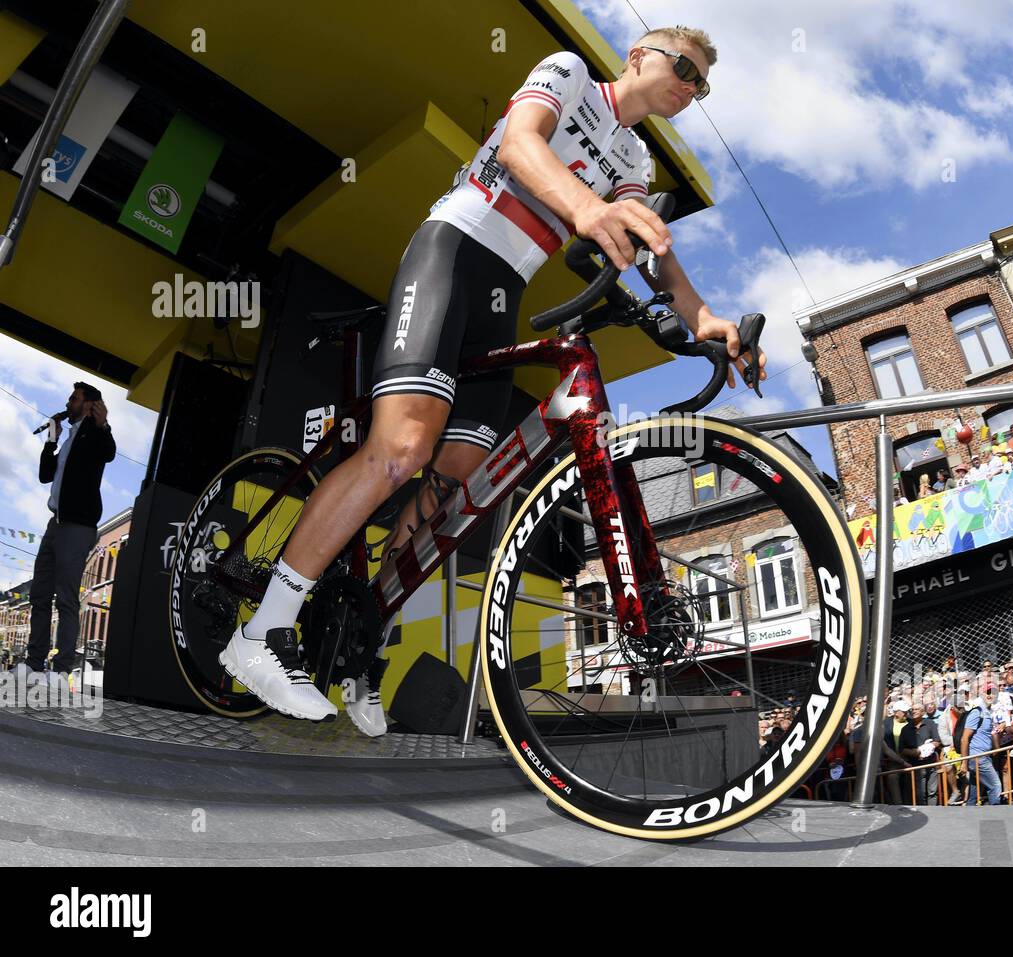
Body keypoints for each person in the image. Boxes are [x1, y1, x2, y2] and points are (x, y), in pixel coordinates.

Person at [218, 28, 765, 730]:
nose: (692, 86)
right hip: (455, 249)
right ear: (638, 56)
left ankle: (361, 635)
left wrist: (706, 319)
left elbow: (657, 257)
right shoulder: (571, 75)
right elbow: (520, 145)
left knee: (453, 486)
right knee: (400, 451)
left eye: (703, 84)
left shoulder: (633, 155)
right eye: (684, 67)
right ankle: (261, 630)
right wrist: (589, 210)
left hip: (505, 290)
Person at [11, 383, 115, 690]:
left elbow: (108, 453)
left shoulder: (94, 433)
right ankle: (33, 665)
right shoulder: (68, 438)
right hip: (54, 523)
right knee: (40, 595)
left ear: (88, 405)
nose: (68, 403)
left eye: (74, 398)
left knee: (66, 599)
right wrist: (51, 439)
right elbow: (45, 475)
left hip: (78, 526)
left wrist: (103, 423)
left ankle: (60, 672)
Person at [960, 686, 1002, 805]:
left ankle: (970, 812)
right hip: (978, 757)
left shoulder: (987, 713)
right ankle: (997, 815)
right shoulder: (977, 712)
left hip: (982, 756)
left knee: (975, 789)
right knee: (995, 785)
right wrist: (964, 762)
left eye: (993, 693)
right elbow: (964, 738)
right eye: (987, 692)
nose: (990, 695)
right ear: (982, 695)